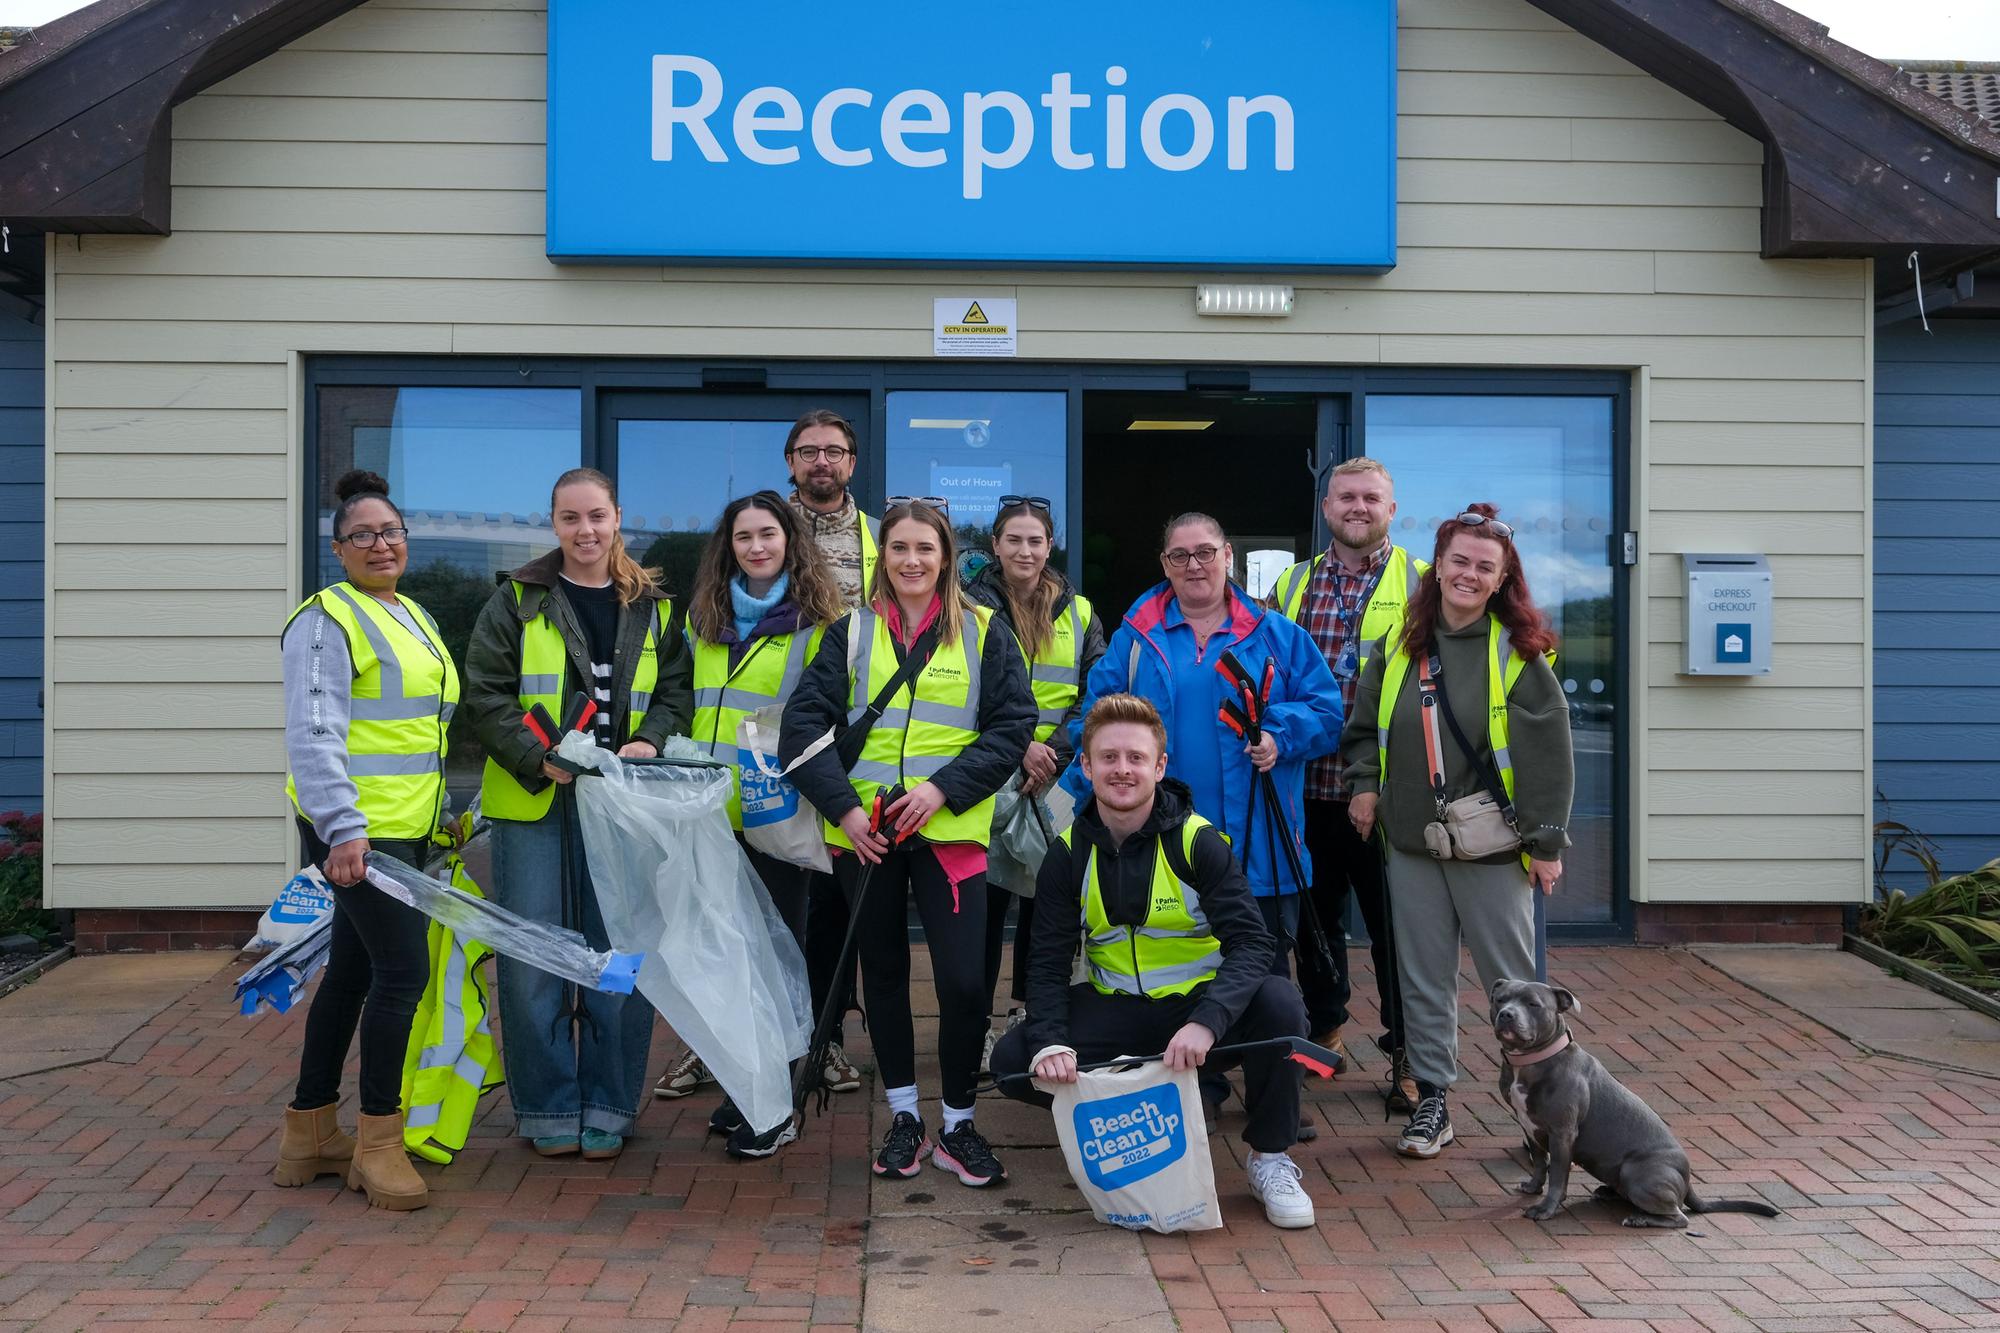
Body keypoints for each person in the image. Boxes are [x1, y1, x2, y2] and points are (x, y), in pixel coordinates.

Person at [990, 694, 1318, 1230]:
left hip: (1199, 1020)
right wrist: (1050, 1041)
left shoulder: (1199, 842)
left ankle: (1271, 1158)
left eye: (1136, 758)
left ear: (1159, 766)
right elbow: (1046, 963)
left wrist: (1206, 1023)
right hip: (1119, 1012)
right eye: (1109, 757)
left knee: (1282, 1005)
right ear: (1088, 766)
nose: (1123, 770)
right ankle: (1133, 1112)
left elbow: (1255, 945)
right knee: (1011, 1060)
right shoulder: (1068, 853)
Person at [779, 500, 1035, 1186]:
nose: (913, 560)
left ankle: (958, 1123)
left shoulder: (985, 631)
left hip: (949, 834)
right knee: (884, 975)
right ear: (882, 557)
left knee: (962, 981)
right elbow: (801, 728)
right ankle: (904, 1116)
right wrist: (845, 810)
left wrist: (942, 788)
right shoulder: (850, 632)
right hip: (866, 839)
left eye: (926, 547)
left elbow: (1013, 726)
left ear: (947, 555)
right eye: (899, 549)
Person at [464, 467, 693, 1160]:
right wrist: (539, 758)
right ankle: (547, 1107)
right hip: (536, 806)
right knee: (534, 963)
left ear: (617, 516)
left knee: (618, 961)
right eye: (570, 518)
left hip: (620, 806)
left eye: (597, 516)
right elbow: (485, 692)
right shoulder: (517, 599)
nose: (585, 530)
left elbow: (677, 688)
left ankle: (609, 1105)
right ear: (554, 523)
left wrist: (650, 737)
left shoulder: (652, 603)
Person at [1339, 503, 1574, 1159]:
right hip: (1413, 845)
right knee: (1422, 977)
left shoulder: (1521, 653)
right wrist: (1364, 787)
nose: (1469, 574)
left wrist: (1546, 844)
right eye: (1459, 561)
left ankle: (1546, 1110)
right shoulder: (1399, 647)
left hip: (1497, 848)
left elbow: (1550, 759)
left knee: (1518, 984)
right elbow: (1364, 729)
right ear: (1437, 566)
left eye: (1484, 566)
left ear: (1502, 579)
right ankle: (1433, 1100)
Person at [277, 469, 457, 1210]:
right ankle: (377, 1141)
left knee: (353, 973)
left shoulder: (411, 613)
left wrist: (445, 815)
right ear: (338, 548)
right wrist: (343, 829)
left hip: (406, 828)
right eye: (363, 535)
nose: (380, 544)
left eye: (391, 532)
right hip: (358, 831)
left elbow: (424, 731)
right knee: (403, 975)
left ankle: (309, 1133)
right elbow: (313, 732)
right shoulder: (326, 619)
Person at [1073, 513, 1343, 983]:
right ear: (1165, 563)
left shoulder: (1278, 635)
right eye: (1180, 555)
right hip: (1159, 842)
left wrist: (1279, 733)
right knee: (1173, 968)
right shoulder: (1134, 640)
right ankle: (1188, 1053)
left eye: (1205, 553)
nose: (1193, 565)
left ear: (1227, 556)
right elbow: (1095, 719)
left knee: (1263, 974)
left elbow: (1327, 712)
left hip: (1259, 846)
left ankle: (1260, 1053)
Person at [665, 490, 847, 1157]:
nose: (757, 546)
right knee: (725, 956)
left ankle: (778, 1105)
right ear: (728, 546)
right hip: (709, 812)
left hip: (777, 814)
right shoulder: (702, 618)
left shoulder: (821, 622)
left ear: (790, 540)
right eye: (744, 536)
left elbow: (829, 716)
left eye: (768, 534)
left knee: (773, 959)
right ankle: (747, 1087)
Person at [1269, 459, 1425, 1112]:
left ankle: (1412, 1057)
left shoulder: (1424, 582)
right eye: (1346, 497)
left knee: (1402, 932)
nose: (1357, 507)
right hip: (1306, 790)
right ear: (1325, 506)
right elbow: (1269, 676)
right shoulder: (1293, 583)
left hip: (1390, 795)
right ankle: (1322, 1029)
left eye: (1371, 497)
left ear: (1392, 508)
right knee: (1313, 923)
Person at [963, 495, 1106, 1059]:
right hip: (987, 770)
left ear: (1050, 547)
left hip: (1060, 776)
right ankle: (975, 1026)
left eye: (1036, 540)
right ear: (996, 545)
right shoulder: (965, 606)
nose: (1025, 550)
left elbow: (1098, 690)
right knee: (986, 903)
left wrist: (1053, 749)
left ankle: (1028, 1014)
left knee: (1046, 902)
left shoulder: (1080, 610)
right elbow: (957, 690)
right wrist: (1020, 746)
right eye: (1014, 539)